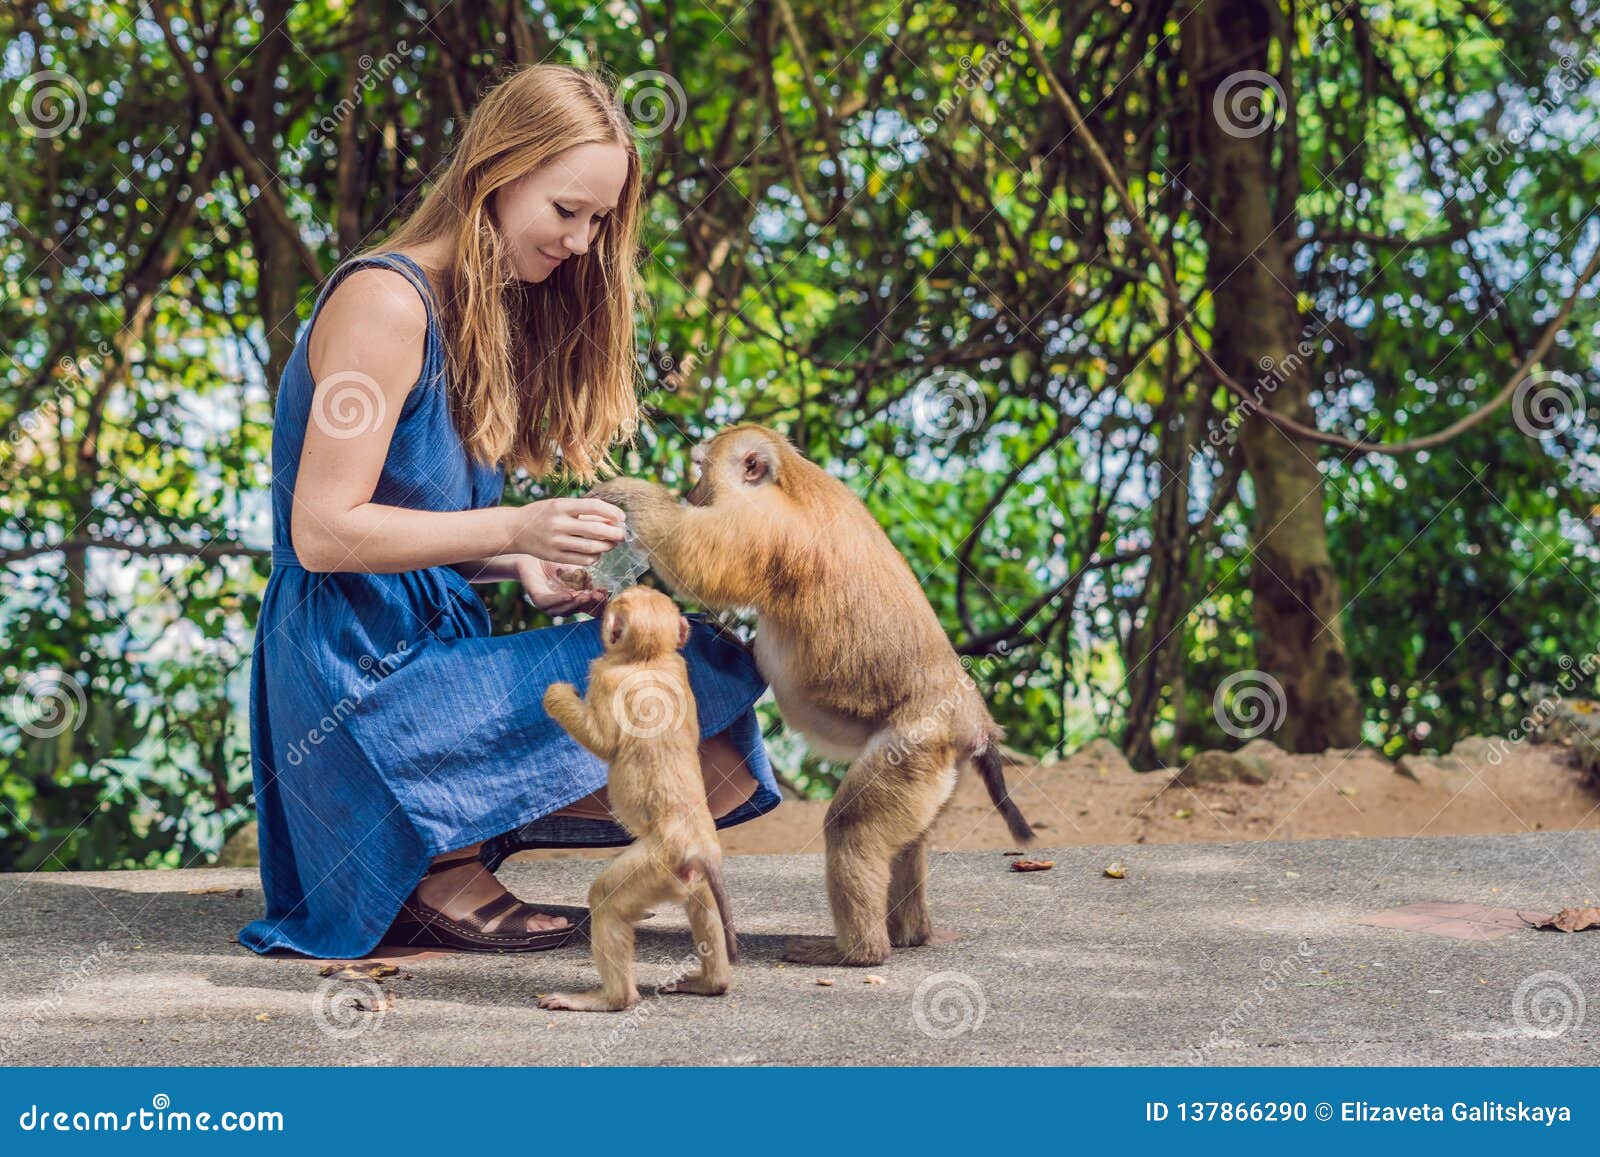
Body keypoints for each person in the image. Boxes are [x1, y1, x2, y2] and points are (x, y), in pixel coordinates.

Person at [237, 64, 780, 960]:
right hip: (355, 678)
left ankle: (447, 842)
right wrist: (514, 527)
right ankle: (427, 858)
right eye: (565, 210)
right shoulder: (384, 302)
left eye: (599, 220)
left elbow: (406, 529)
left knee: (694, 702)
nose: (580, 240)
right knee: (659, 681)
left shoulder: (475, 313)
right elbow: (323, 531)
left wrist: (513, 564)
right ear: (495, 173)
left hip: (427, 651)